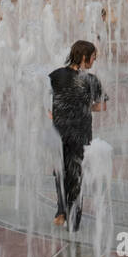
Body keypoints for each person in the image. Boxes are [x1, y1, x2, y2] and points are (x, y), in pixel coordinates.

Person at [49, 40, 107, 231]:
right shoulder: (91, 80)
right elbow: (100, 106)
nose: (94, 61)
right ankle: (73, 223)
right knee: (75, 176)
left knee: (60, 170)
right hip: (80, 135)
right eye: (93, 57)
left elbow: (42, 98)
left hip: (57, 133)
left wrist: (54, 113)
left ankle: (61, 212)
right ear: (84, 57)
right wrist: (83, 106)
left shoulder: (55, 75)